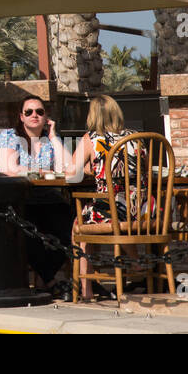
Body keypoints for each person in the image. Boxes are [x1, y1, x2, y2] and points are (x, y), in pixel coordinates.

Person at [0, 97, 71, 294]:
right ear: (21, 117)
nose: (34, 115)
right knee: (28, 233)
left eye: (39, 111)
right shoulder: (9, 136)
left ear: (46, 116)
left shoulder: (49, 139)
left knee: (70, 229)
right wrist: (39, 169)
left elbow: (68, 168)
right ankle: (50, 281)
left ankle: (44, 280)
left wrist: (54, 137)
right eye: (29, 112)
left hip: (47, 197)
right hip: (19, 199)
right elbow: (7, 168)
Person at [70, 94, 137, 299]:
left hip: (112, 209)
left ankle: (86, 291)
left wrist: (92, 168)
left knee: (78, 225)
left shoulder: (91, 139)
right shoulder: (136, 137)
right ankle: (140, 265)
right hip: (141, 209)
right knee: (112, 216)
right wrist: (97, 168)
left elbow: (71, 174)